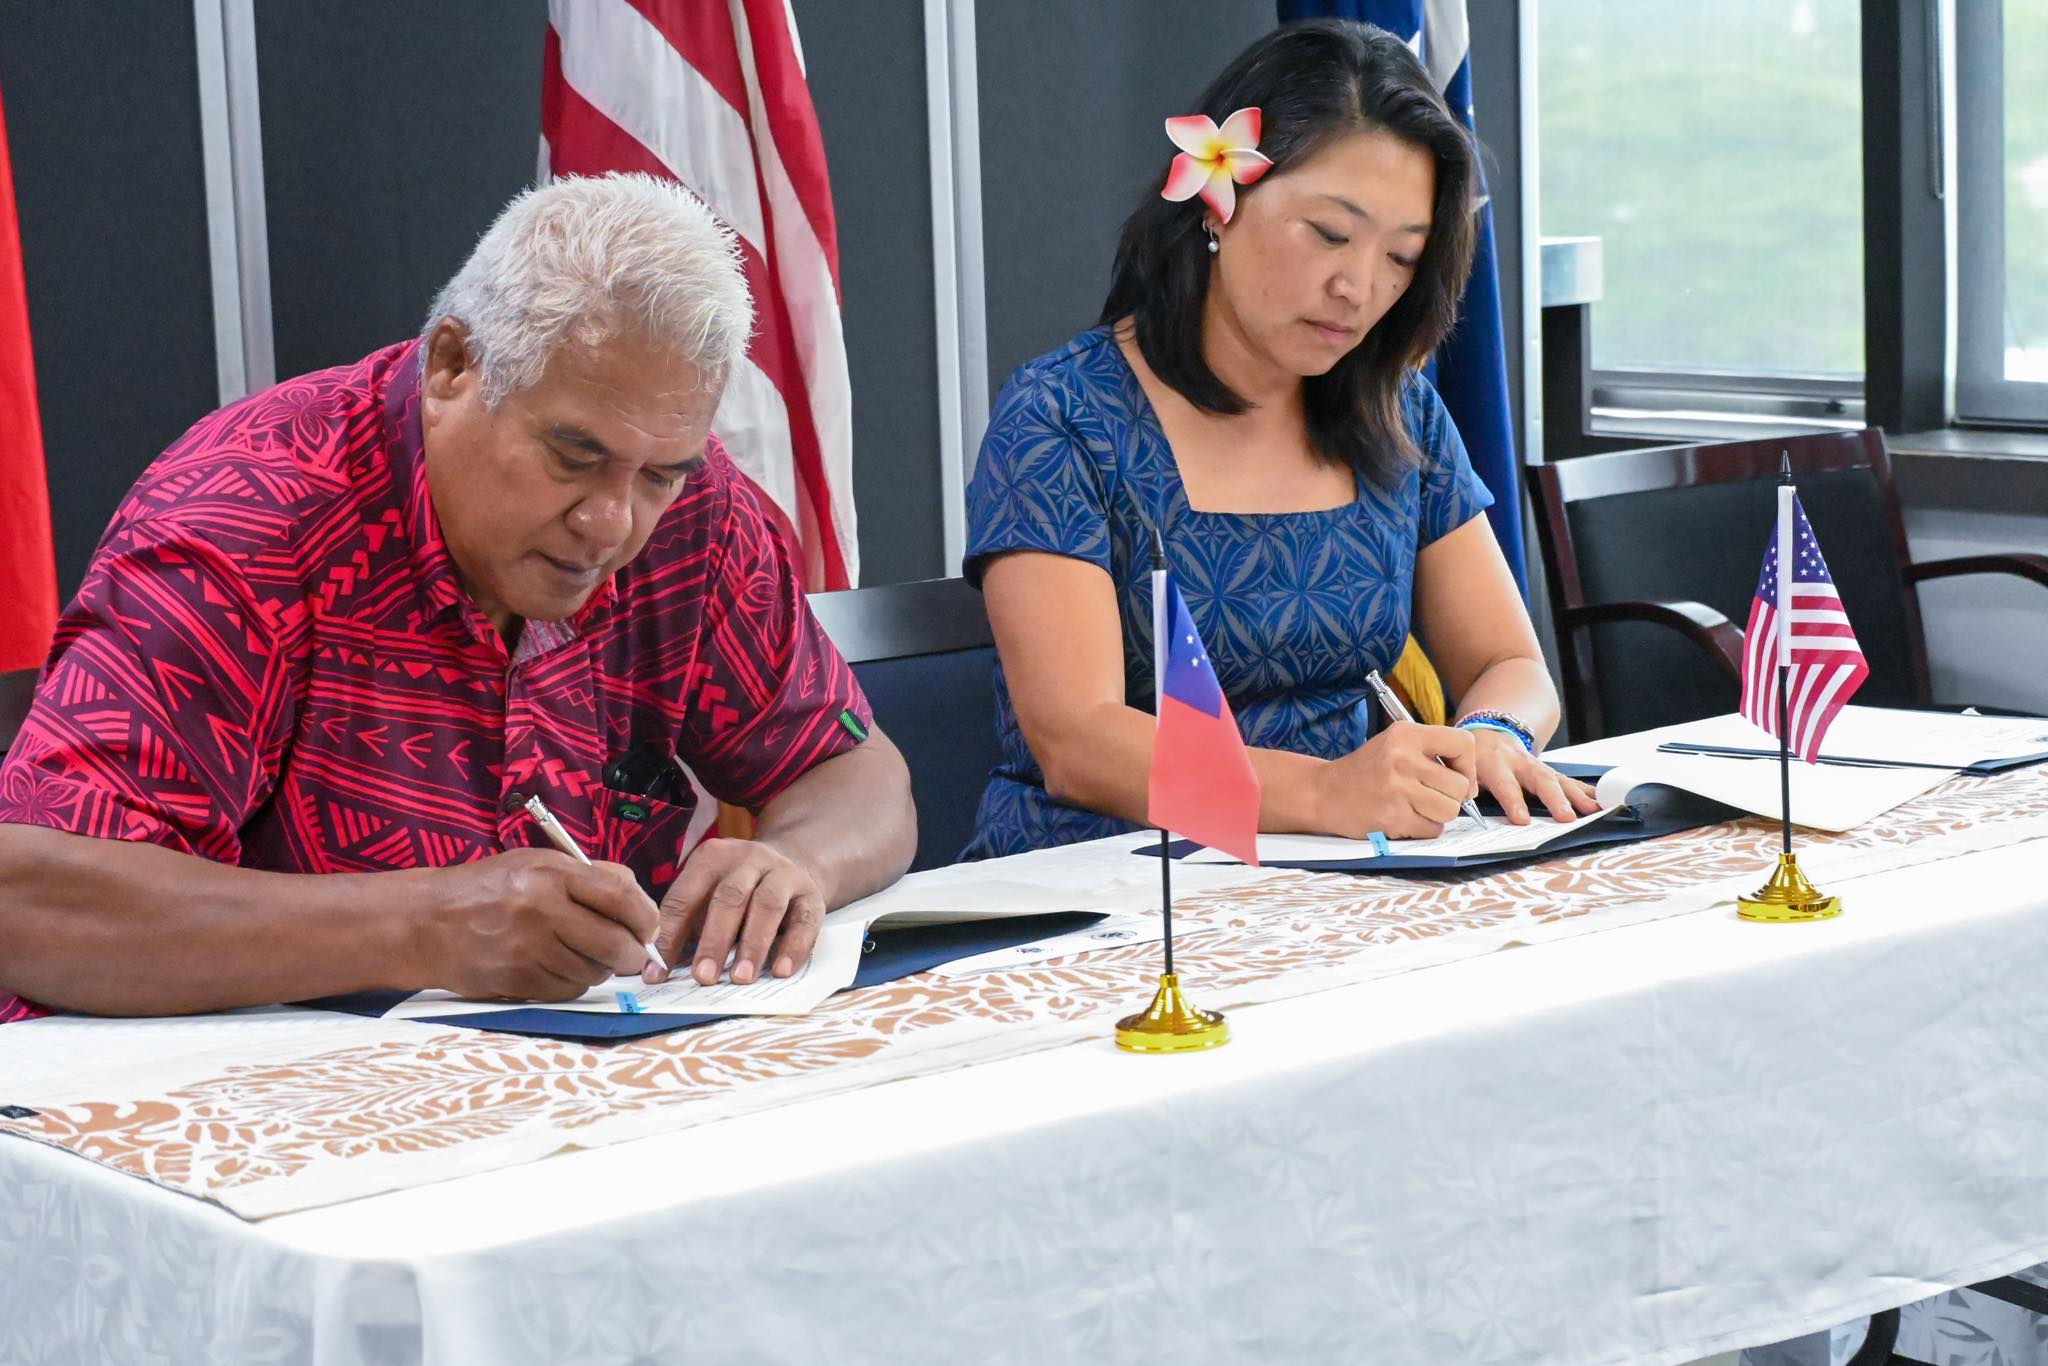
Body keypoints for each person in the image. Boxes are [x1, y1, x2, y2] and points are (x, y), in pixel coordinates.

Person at [0, 172, 914, 1021]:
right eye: (573, 455)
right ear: (451, 368)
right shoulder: (245, 519)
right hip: (245, 1097)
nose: (609, 522)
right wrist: (421, 927)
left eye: (657, 476)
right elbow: (28, 898)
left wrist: (794, 864)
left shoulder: (695, 512)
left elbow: (857, 775)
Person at [962, 19, 1599, 861]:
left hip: (1341, 869)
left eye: (1402, 257)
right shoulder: (1063, 415)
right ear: (1217, 201)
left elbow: (1512, 663)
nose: (1357, 287)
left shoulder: (1397, 408)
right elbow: (1078, 742)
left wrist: (1491, 732)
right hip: (1112, 879)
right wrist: (1324, 792)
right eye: (1330, 234)